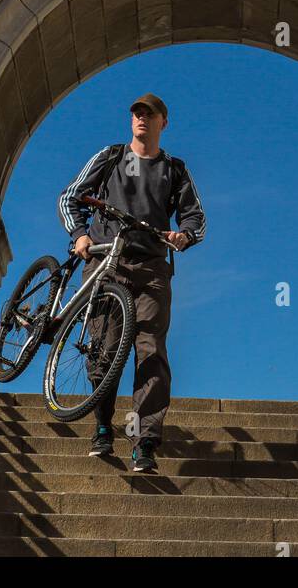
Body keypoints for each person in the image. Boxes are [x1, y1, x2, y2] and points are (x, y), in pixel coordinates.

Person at [57, 92, 206, 474]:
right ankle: (103, 424)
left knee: (151, 350)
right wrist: (79, 235)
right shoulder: (109, 157)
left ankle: (144, 442)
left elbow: (195, 218)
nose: (142, 119)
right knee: (104, 348)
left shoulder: (174, 169)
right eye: (137, 113)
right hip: (107, 261)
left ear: (163, 122)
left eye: (150, 114)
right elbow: (70, 197)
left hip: (152, 268)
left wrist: (182, 237)